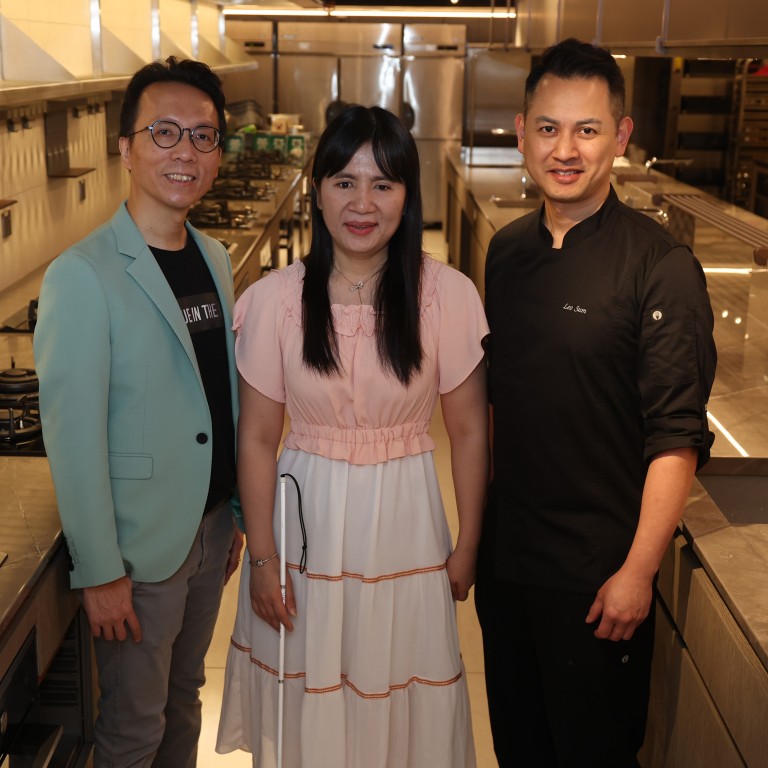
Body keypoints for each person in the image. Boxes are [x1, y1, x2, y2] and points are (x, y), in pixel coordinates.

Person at [216, 104, 488, 767]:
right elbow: (256, 439)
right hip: (304, 526)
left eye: (382, 184)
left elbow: (470, 429)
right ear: (317, 191)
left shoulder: (447, 295)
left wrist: (468, 544)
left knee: (396, 688)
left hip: (405, 523)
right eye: (344, 182)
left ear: (407, 195)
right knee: (310, 695)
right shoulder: (277, 299)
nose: (362, 203)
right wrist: (263, 558)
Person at [476, 38, 717, 767]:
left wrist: (638, 573)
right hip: (508, 568)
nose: (565, 150)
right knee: (520, 750)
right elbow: (501, 404)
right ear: (522, 133)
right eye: (548, 128)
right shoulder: (507, 252)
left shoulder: (661, 267)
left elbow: (676, 437)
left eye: (587, 129)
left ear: (621, 135)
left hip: (598, 582)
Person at [34, 56, 243, 768]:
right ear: (126, 148)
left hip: (209, 530)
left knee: (184, 701)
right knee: (132, 731)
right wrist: (99, 571)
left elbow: (220, 396)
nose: (185, 151)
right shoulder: (82, 274)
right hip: (137, 551)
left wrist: (234, 510)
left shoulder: (215, 257)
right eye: (164, 132)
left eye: (203, 136)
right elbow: (72, 436)